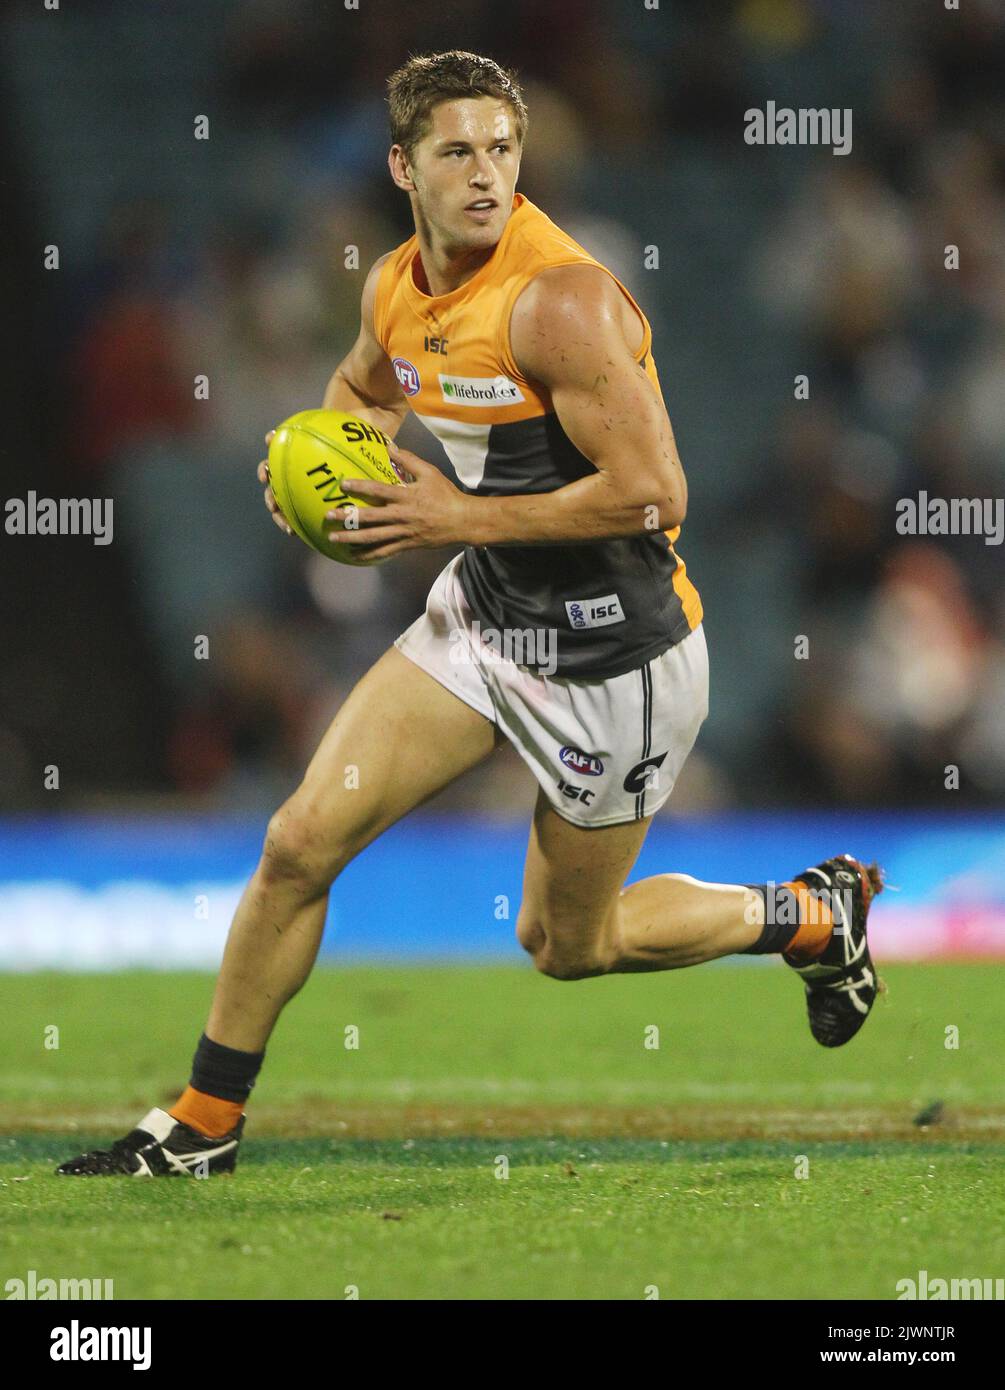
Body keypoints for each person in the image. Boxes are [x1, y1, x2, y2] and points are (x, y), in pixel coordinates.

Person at [58, 51, 882, 1179]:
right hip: (485, 623)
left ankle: (811, 916)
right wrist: (318, 465)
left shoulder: (561, 301)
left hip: (614, 658)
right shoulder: (394, 285)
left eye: (502, 148)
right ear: (403, 167)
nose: (487, 173)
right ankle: (204, 1125)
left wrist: (458, 515)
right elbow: (362, 390)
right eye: (457, 151)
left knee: (566, 944)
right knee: (297, 843)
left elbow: (656, 493)